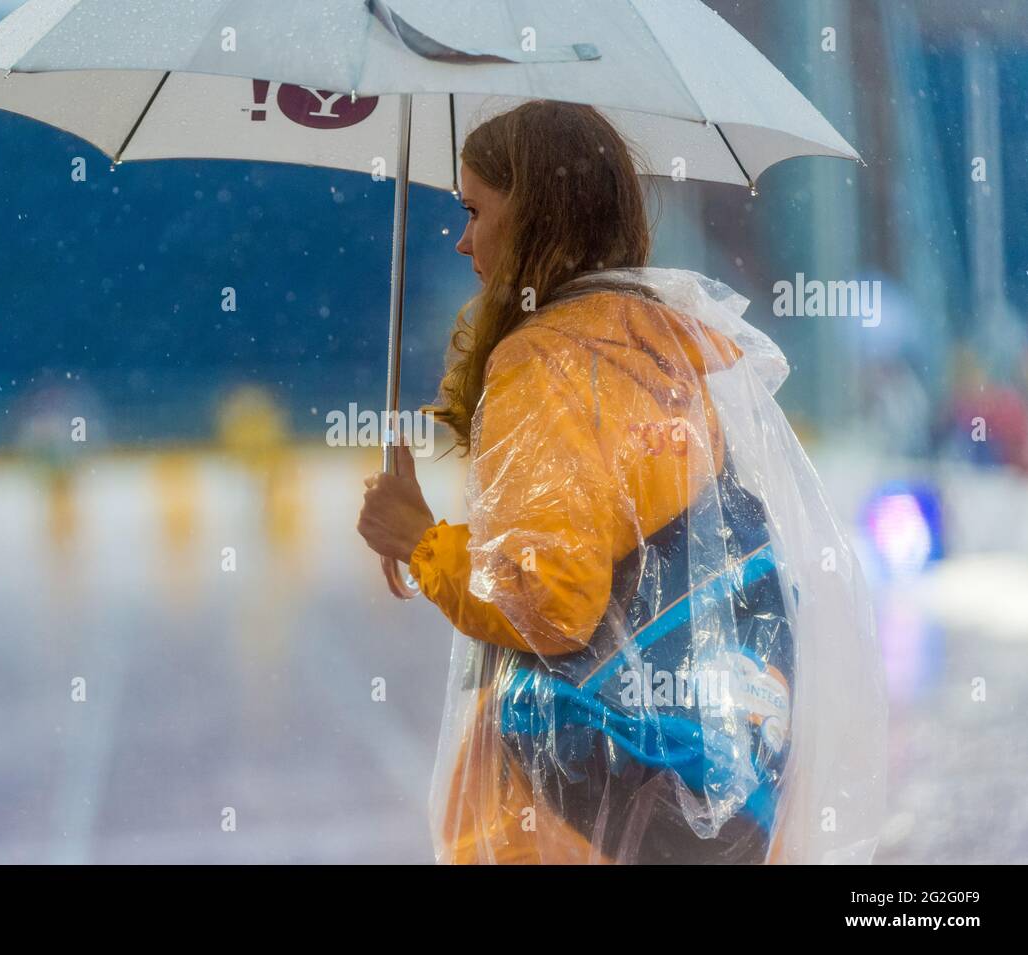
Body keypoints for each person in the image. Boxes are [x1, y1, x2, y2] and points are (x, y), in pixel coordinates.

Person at [356, 100, 887, 864]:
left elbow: (551, 599)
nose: (466, 240)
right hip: (697, 792)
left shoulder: (542, 362)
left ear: (538, 215)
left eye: (475, 210)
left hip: (566, 805)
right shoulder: (662, 349)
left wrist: (421, 540)